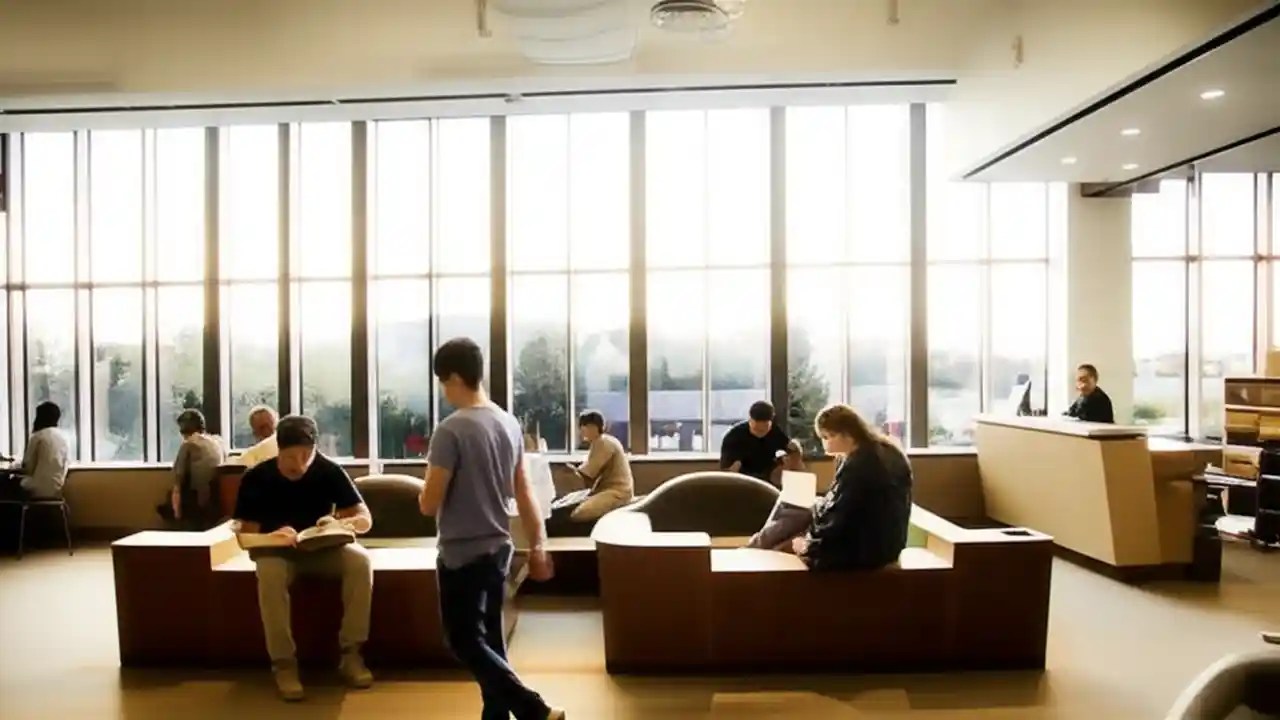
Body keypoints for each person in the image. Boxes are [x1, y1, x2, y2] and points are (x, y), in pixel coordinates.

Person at [418, 337, 566, 720]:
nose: (443, 391)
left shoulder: (450, 431)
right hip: (499, 547)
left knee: (463, 641)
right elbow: (525, 490)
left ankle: (533, 708)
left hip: (460, 552)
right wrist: (538, 545)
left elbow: (429, 503)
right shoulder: (507, 422)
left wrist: (427, 479)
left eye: (442, 381)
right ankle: (496, 717)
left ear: (452, 377)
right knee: (491, 640)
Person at [231, 414, 374, 702]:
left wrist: (338, 524)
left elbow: (365, 519)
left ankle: (351, 653)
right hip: (276, 553)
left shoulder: (328, 471)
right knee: (269, 574)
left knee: (360, 561)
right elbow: (245, 537)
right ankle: (284, 664)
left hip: (321, 549)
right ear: (278, 451)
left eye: (306, 455)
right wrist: (273, 538)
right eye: (290, 457)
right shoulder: (257, 477)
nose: (298, 464)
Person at [788, 404, 913, 571]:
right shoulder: (887, 450)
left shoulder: (859, 465)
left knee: (791, 522)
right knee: (797, 519)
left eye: (827, 437)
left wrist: (808, 546)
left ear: (846, 434)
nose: (825, 444)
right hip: (888, 545)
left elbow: (840, 518)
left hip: (862, 552)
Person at [546, 411, 635, 533]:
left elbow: (588, 474)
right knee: (564, 502)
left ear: (593, 427)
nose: (581, 432)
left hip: (617, 492)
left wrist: (570, 471)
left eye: (583, 428)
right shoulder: (599, 443)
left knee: (579, 514)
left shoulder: (603, 443)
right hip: (602, 490)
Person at [168, 409, 226, 530]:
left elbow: (178, 481)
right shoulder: (219, 441)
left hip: (197, 503)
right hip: (218, 499)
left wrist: (177, 514)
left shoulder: (188, 444)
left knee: (169, 497)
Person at [0, 402, 70, 501]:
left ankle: (12, 516)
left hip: (36, 488)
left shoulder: (38, 436)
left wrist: (14, 466)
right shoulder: (63, 437)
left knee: (4, 481)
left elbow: (28, 467)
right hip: (57, 489)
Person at [719, 401, 790, 485]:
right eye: (756, 429)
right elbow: (727, 471)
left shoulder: (776, 432)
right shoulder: (734, 437)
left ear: (771, 422)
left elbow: (790, 449)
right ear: (750, 420)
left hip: (769, 479)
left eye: (764, 429)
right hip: (743, 480)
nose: (760, 433)